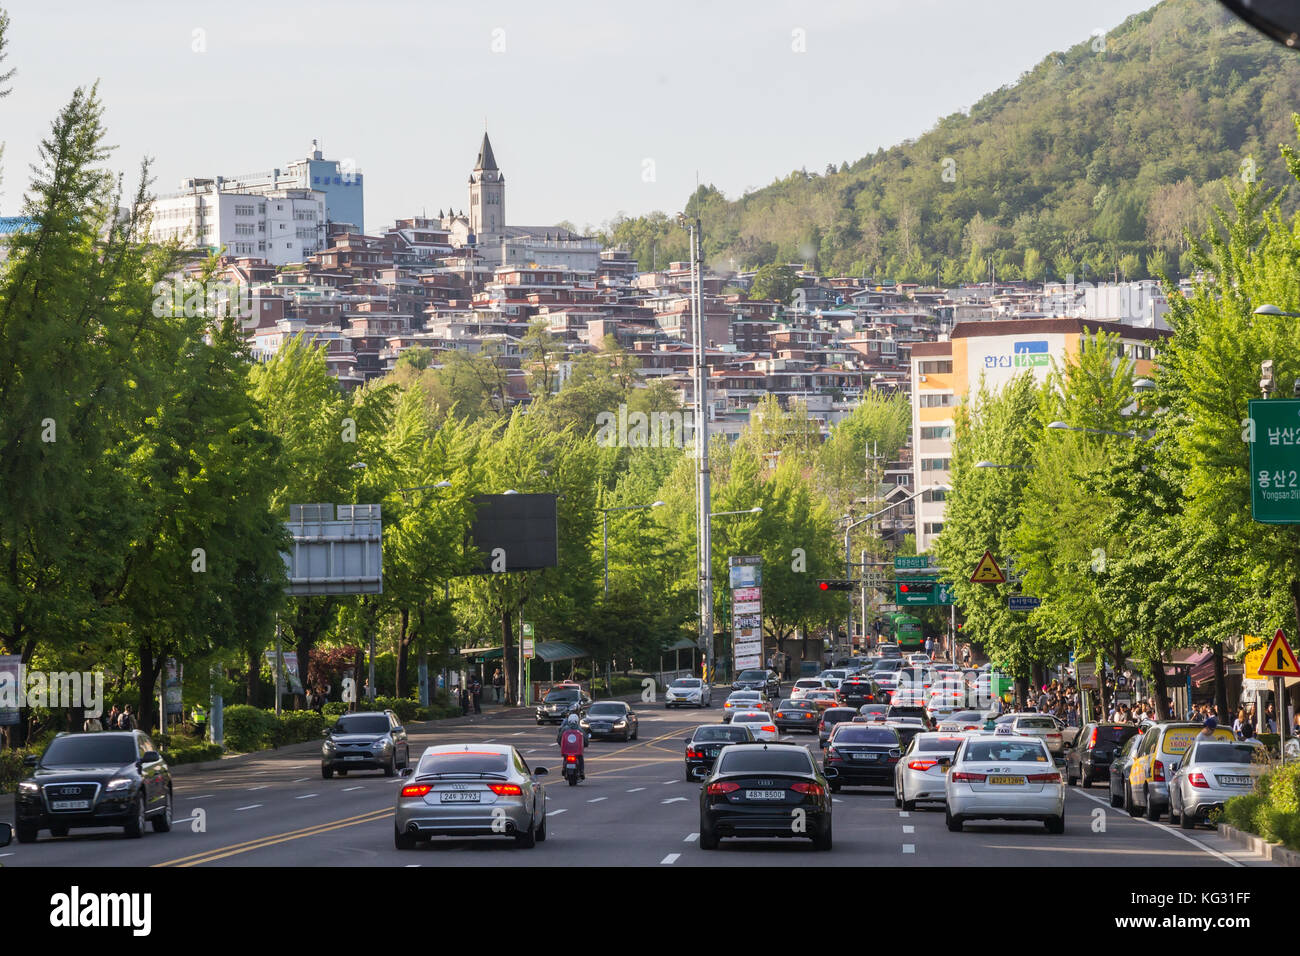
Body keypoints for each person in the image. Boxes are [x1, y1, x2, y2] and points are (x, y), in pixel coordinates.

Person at [558, 712, 586, 779]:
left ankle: (564, 768)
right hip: (577, 750)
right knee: (580, 758)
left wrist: (560, 744)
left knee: (565, 757)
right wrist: (586, 744)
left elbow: (559, 738)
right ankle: (581, 771)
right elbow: (585, 739)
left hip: (566, 749)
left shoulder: (565, 729)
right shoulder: (580, 729)